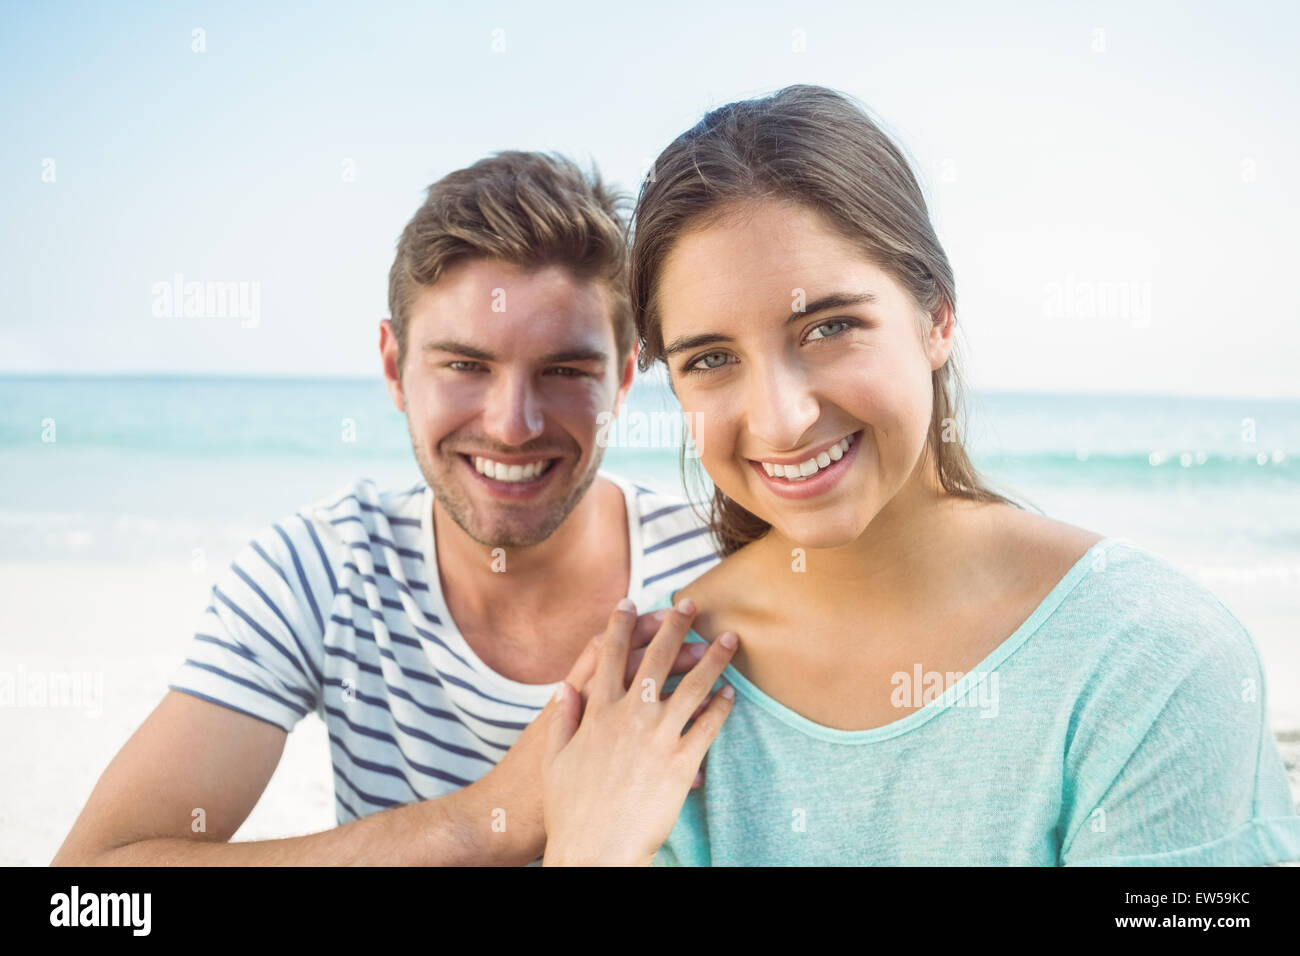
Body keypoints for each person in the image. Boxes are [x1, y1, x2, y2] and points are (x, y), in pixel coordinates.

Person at [539, 85, 1300, 866]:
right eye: (711, 360)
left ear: (936, 316)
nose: (779, 419)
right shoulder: (651, 695)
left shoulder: (1151, 662)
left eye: (829, 328)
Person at [51, 151, 724, 866]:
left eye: (564, 370)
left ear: (621, 379)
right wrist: (481, 820)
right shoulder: (326, 569)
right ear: (392, 364)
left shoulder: (714, 576)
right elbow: (87, 893)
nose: (512, 424)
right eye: (465, 365)